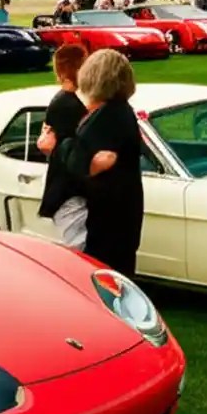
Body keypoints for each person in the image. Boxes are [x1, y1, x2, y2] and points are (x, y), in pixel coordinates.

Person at [50, 50, 144, 278]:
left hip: (107, 217)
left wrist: (56, 145)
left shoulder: (108, 117)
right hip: (122, 210)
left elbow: (84, 165)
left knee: (100, 276)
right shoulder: (119, 112)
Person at [36, 44, 90, 249]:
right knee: (80, 248)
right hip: (69, 189)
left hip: (68, 187)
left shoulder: (65, 102)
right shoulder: (69, 106)